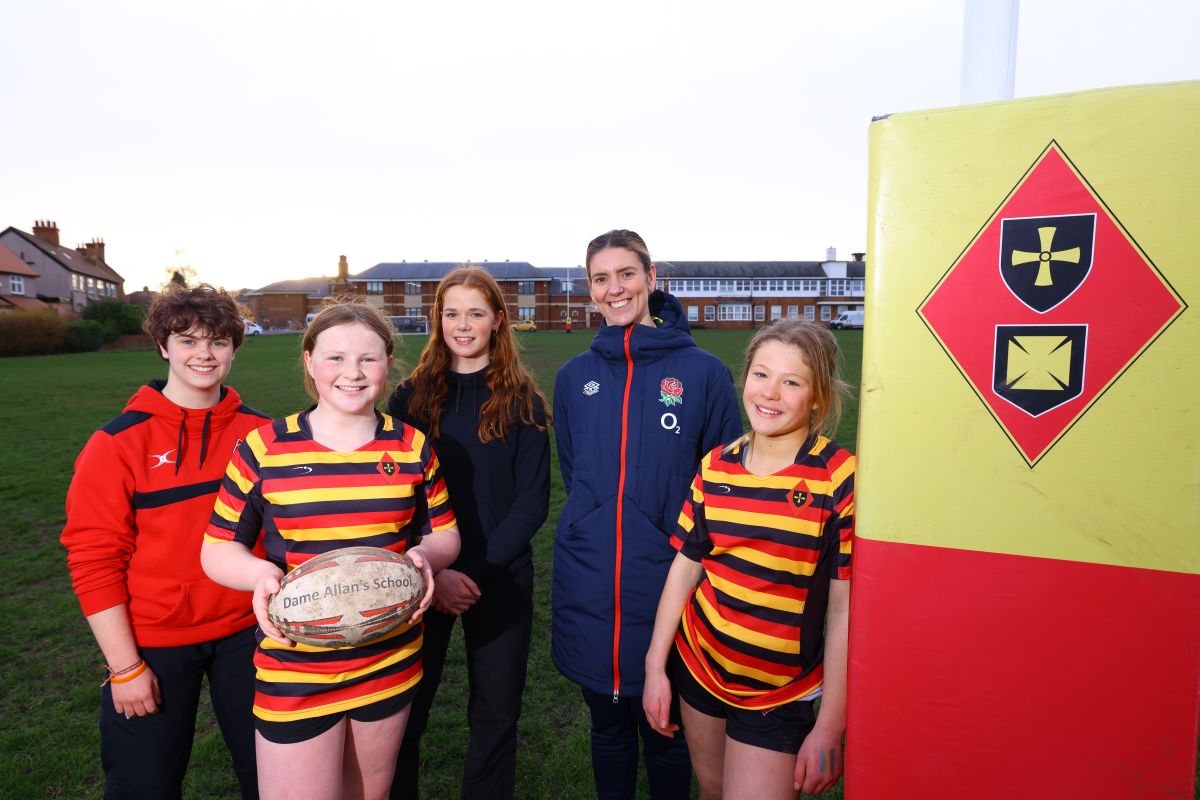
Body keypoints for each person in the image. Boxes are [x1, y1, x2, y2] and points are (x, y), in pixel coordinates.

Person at [201, 299, 461, 800]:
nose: (353, 373)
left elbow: (446, 534)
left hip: (390, 659)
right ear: (309, 362)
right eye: (336, 357)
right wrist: (261, 578)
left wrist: (426, 559)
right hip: (295, 666)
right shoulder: (263, 449)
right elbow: (216, 550)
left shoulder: (411, 447)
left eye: (368, 358)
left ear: (388, 364)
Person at [552, 229, 743, 799]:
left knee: (668, 733)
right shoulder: (570, 379)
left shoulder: (703, 372)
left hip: (669, 585)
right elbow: (576, 475)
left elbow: (724, 489)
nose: (615, 289)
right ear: (589, 289)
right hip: (589, 588)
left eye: (626, 274)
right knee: (607, 729)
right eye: (601, 278)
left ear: (651, 278)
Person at [61, 283, 269, 799]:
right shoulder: (115, 444)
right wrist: (125, 666)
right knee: (144, 786)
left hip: (250, 633)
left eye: (218, 342)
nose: (204, 354)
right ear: (163, 346)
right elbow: (93, 560)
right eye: (188, 341)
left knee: (275, 779)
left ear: (234, 349)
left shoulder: (265, 436)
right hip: (153, 642)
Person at [642, 318, 854, 799]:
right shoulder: (715, 466)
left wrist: (830, 728)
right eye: (761, 374)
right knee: (713, 791)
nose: (770, 393)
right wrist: (656, 667)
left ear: (818, 397)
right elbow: (684, 570)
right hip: (699, 668)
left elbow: (843, 610)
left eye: (792, 381)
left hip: (778, 694)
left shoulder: (838, 478)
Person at [386, 266, 550, 800]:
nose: (463, 325)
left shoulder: (524, 401)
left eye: (476, 313)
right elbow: (396, 498)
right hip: (420, 579)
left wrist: (470, 573)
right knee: (404, 714)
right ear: (438, 319)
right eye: (452, 313)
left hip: (497, 577)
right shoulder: (409, 399)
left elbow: (532, 504)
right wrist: (434, 572)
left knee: (495, 715)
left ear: (498, 321)